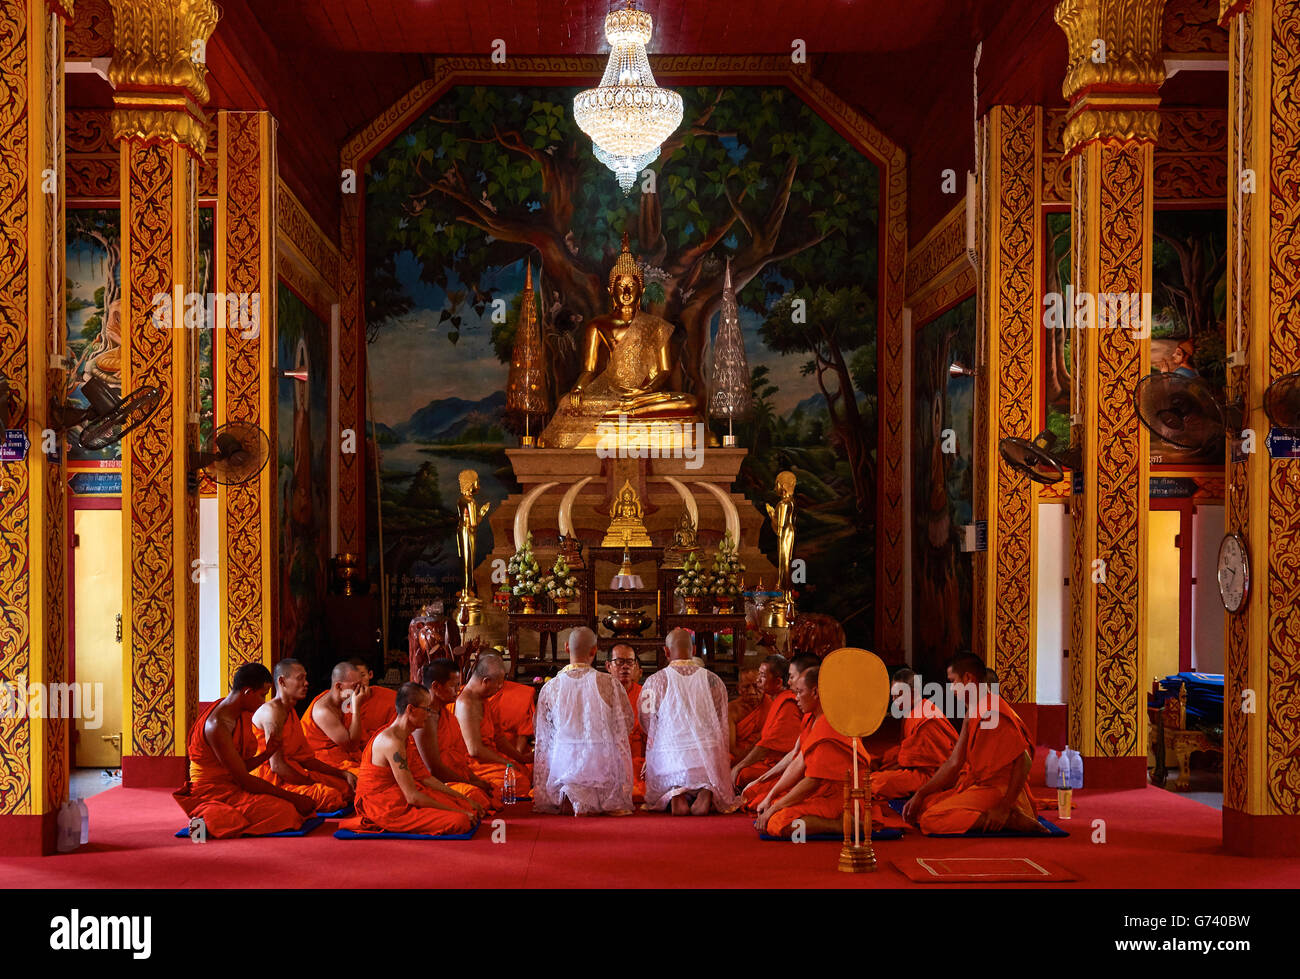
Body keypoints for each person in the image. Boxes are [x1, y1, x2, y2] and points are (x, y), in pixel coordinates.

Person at [902, 653, 1046, 835]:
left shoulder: (993, 711)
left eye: (953, 681)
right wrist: (920, 794)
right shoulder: (974, 710)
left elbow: (1024, 761)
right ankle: (992, 814)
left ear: (968, 678)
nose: (951, 688)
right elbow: (954, 762)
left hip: (1002, 792)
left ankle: (1010, 818)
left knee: (931, 820)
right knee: (925, 806)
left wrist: (1003, 807)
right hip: (982, 786)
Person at [173, 663, 316, 838]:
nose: (263, 702)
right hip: (210, 792)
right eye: (262, 695)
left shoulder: (240, 713)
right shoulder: (217, 726)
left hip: (233, 785)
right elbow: (244, 779)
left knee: (290, 810)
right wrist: (293, 797)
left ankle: (217, 818)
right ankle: (203, 819)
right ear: (247, 692)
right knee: (286, 812)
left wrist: (267, 753)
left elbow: (240, 767)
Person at [754, 666, 879, 839]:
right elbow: (799, 762)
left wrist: (775, 808)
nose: (796, 698)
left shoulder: (830, 724)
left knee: (778, 822)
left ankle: (842, 825)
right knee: (768, 804)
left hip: (843, 797)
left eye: (799, 692)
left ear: (815, 692)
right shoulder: (811, 718)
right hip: (822, 791)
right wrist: (771, 796)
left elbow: (813, 780)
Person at [350, 683, 476, 835]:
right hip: (384, 807)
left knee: (468, 806)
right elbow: (412, 797)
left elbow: (425, 778)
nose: (429, 714)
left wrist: (463, 799)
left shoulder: (404, 737)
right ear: (410, 709)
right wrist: (457, 811)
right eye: (427, 709)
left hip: (399, 795)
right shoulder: (392, 742)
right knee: (460, 820)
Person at [534, 627, 635, 815]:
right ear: (594, 650)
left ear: (566, 648)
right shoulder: (609, 683)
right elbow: (626, 724)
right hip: (599, 763)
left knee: (560, 760)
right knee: (605, 782)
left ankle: (568, 795)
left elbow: (542, 733)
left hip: (563, 762)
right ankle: (591, 800)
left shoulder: (550, 687)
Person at [640, 628, 737, 816]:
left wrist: (658, 737)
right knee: (707, 754)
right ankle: (705, 789)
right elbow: (720, 720)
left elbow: (646, 719)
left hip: (671, 754)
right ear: (693, 650)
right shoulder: (713, 679)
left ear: (666, 652)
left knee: (661, 745)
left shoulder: (655, 681)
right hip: (707, 754)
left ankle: (676, 792)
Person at [250, 658, 356, 812]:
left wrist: (342, 774)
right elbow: (277, 766)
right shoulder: (272, 712)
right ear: (282, 681)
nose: (306, 683)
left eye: (305, 678)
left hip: (293, 773)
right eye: (300, 678)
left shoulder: (290, 711)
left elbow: (306, 759)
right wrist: (311, 783)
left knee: (347, 786)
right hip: (270, 781)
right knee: (330, 796)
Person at [737, 653, 820, 811]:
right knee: (754, 793)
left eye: (792, 677)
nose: (789, 682)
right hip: (794, 772)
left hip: (815, 784)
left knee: (774, 814)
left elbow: (810, 774)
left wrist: (773, 801)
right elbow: (796, 755)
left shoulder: (791, 704)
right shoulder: (809, 715)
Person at [413, 658, 495, 811]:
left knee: (488, 790)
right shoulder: (425, 719)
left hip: (453, 775)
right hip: (430, 782)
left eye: (459, 685)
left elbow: (459, 758)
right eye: (454, 685)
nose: (458, 690)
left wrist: (475, 779)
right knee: (475, 796)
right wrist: (472, 783)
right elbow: (433, 770)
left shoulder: (445, 714)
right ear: (436, 687)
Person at [870, 668, 959, 801]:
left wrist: (884, 772)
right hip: (916, 766)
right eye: (892, 696)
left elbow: (918, 763)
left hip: (934, 776)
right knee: (882, 759)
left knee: (879, 782)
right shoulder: (911, 712)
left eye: (898, 696)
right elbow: (906, 751)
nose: (894, 701)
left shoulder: (927, 720)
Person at [456, 652, 533, 800]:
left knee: (525, 770)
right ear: (485, 681)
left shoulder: (483, 700)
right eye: (498, 683)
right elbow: (474, 750)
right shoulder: (466, 704)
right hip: (475, 765)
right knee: (518, 781)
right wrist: (508, 763)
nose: (499, 688)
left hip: (490, 760)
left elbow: (499, 738)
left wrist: (520, 758)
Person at [731, 654, 801, 786]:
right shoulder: (775, 700)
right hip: (767, 759)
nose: (758, 680)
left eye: (762, 676)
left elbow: (768, 745)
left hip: (781, 763)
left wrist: (739, 766)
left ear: (779, 682)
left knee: (744, 774)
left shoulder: (787, 704)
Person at [300, 661, 365, 771]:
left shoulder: (343, 700)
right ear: (339, 686)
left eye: (360, 685)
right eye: (355, 686)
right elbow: (352, 746)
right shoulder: (323, 711)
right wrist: (356, 708)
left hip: (345, 756)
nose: (360, 690)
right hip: (324, 762)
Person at [605, 643, 646, 801]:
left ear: (636, 666)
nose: (625, 667)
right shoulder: (600, 693)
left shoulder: (645, 695)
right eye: (619, 662)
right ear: (608, 666)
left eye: (630, 662)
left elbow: (655, 732)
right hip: (609, 761)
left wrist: (652, 759)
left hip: (637, 762)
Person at [487, 664, 536, 768]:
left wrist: (518, 757)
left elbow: (523, 730)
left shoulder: (519, 693)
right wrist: (510, 762)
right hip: (483, 756)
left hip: (511, 749)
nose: (500, 685)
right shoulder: (468, 702)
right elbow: (475, 749)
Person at [348, 656, 397, 741]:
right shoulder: (341, 702)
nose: (358, 681)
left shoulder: (389, 697)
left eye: (362, 675)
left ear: (370, 674)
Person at [728, 668, 767, 764]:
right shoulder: (731, 709)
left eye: (756, 686)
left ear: (763, 686)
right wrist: (749, 759)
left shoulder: (771, 704)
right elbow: (731, 747)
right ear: (739, 689)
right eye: (746, 687)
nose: (752, 692)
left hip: (764, 754)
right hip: (741, 754)